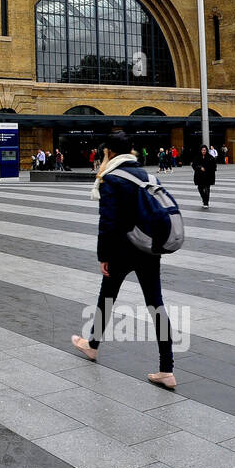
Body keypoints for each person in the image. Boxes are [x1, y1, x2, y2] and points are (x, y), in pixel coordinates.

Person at [71, 131, 176, 389]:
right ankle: (167, 369)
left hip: (121, 250)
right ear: (131, 151)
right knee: (156, 304)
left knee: (106, 299)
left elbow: (107, 223)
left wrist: (103, 256)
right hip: (148, 248)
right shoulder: (148, 175)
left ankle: (92, 345)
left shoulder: (111, 179)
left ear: (109, 152)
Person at [193, 143, 218, 209]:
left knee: (207, 189)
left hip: (208, 176)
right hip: (199, 176)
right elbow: (194, 165)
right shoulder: (197, 157)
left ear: (206, 150)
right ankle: (204, 199)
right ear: (200, 150)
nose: (204, 151)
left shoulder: (210, 157)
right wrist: (200, 167)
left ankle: (206, 202)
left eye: (205, 150)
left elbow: (214, 166)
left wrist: (207, 168)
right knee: (200, 188)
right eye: (202, 150)